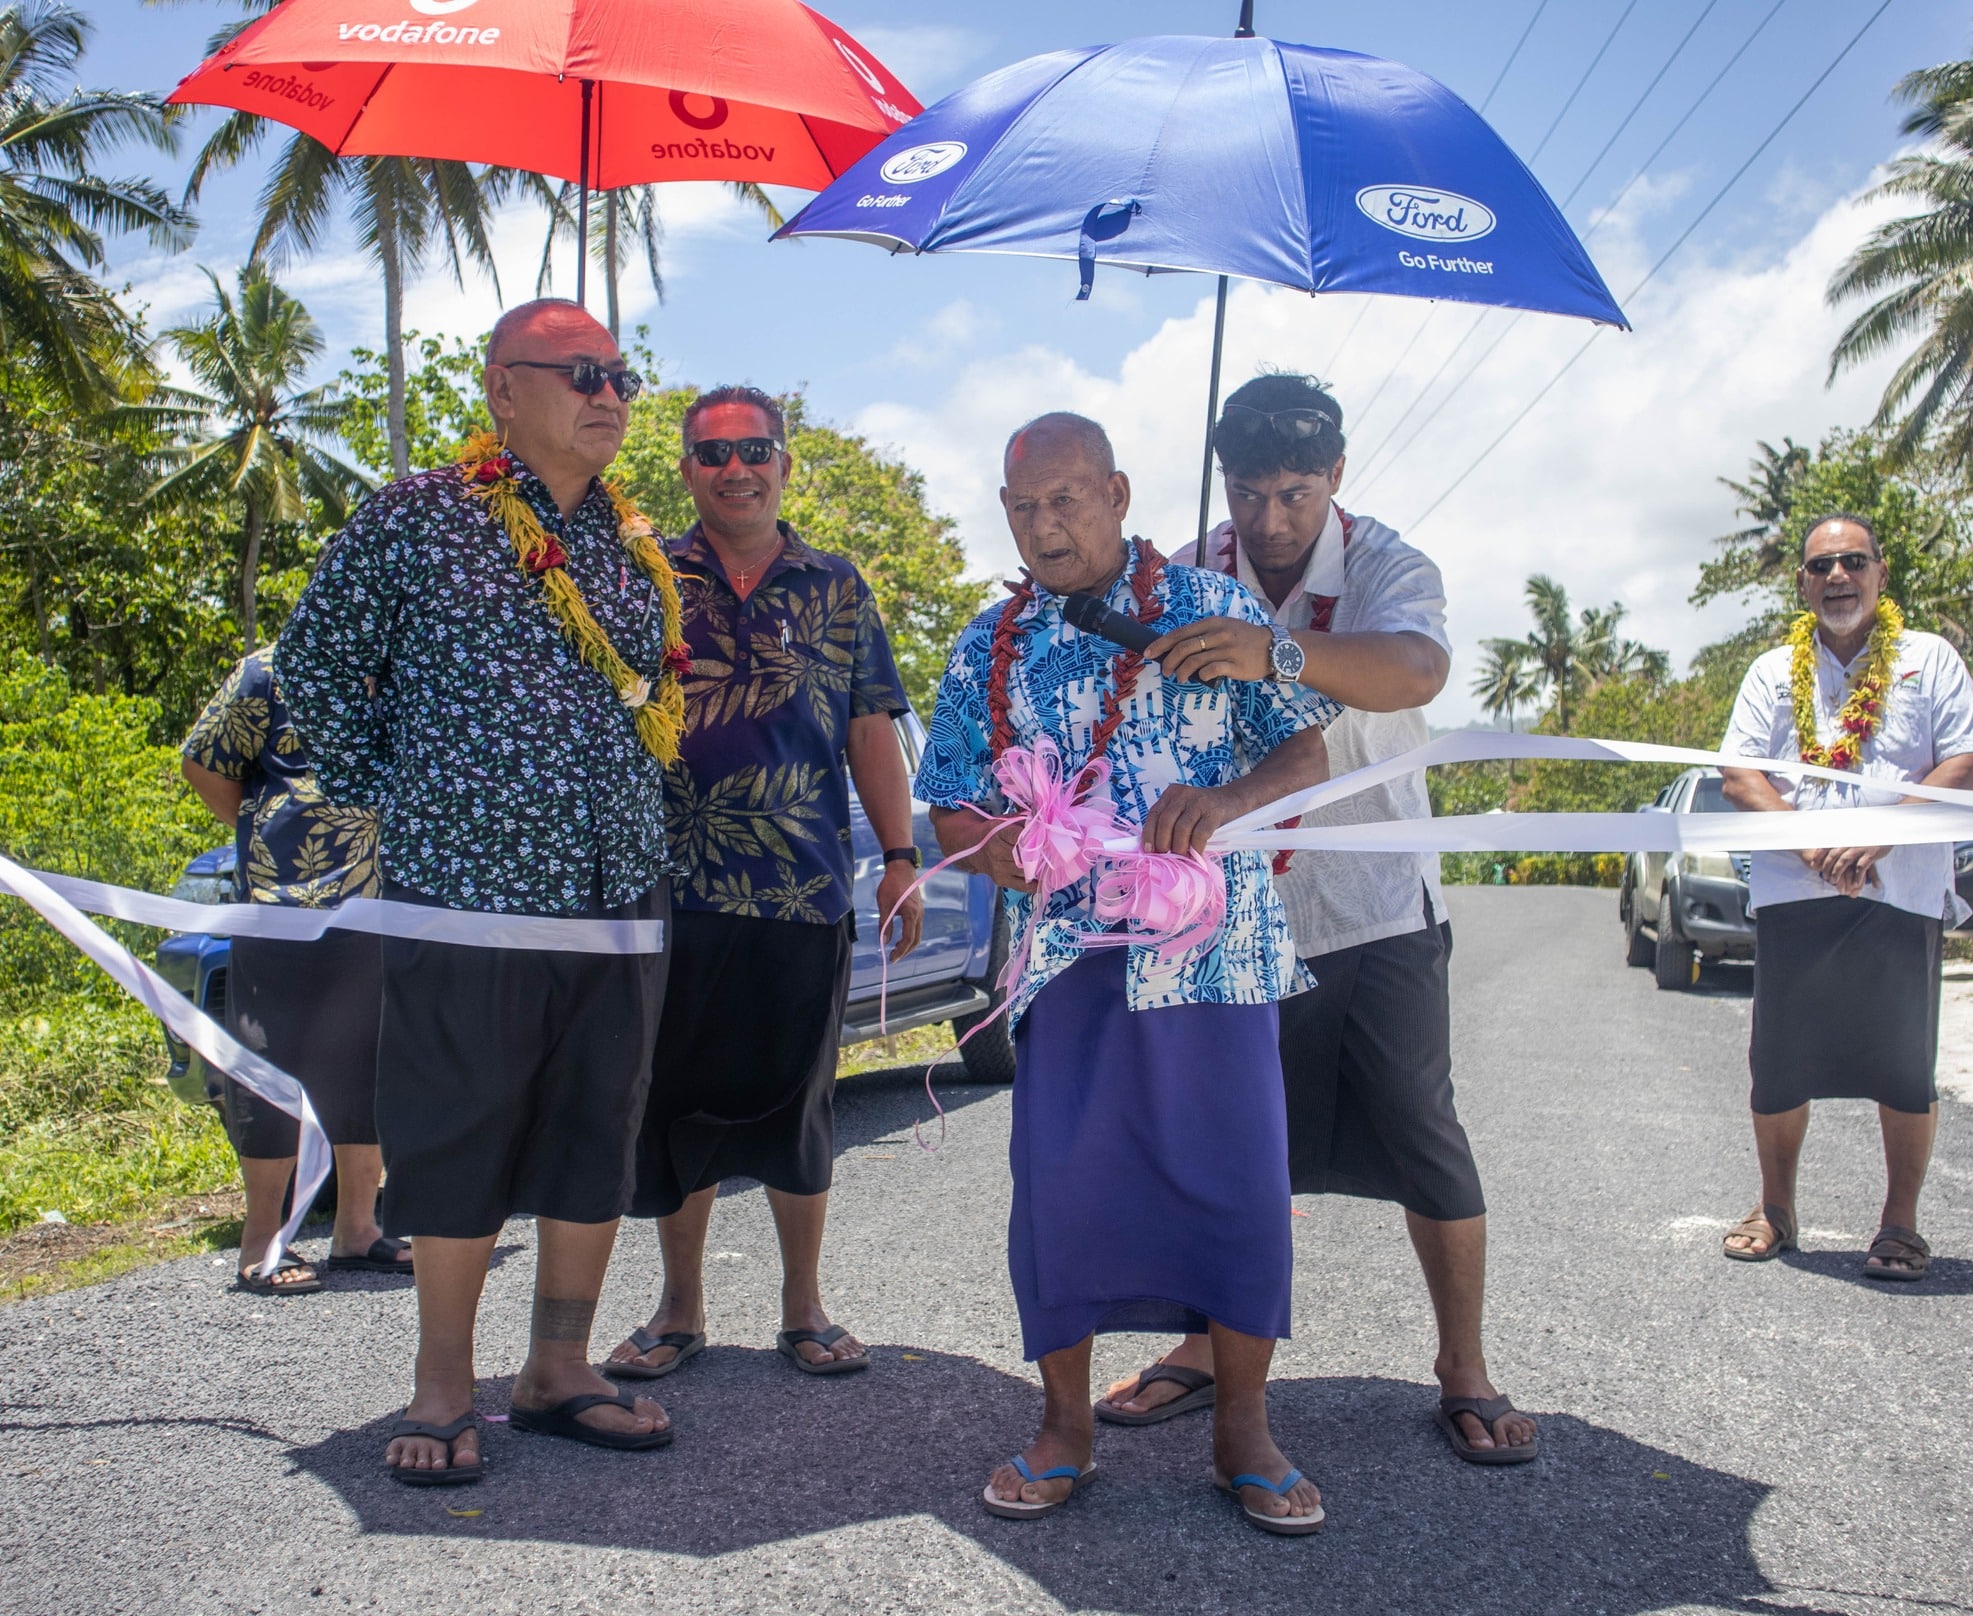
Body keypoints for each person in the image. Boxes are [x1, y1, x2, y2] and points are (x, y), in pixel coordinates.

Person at [1093, 371, 1540, 1464]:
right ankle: (1203, 1347)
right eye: (1246, 492)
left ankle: (1462, 1364)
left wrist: (1272, 650)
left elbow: (1416, 668)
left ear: (1334, 474)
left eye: (1293, 492)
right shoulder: (1191, 569)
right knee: (1224, 1140)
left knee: (1419, 1129)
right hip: (1233, 910)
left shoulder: (1389, 561)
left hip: (1375, 901)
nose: (1268, 519)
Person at [275, 299, 680, 1485]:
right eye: (580, 373)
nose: (607, 394)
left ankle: (556, 1371)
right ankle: (444, 1385)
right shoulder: (419, 516)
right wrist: (395, 784)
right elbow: (315, 659)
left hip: (615, 894)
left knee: (593, 1132)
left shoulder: (628, 539)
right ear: (503, 389)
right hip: (468, 891)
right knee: (455, 1133)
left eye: (620, 374)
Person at [917, 413, 1338, 1534]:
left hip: (1215, 950)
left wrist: (1226, 801)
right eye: (1022, 507)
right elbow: (948, 792)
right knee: (1061, 1189)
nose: (1045, 524)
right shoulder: (987, 642)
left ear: (1114, 491)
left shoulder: (1212, 610)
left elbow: (1303, 745)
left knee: (1237, 1186)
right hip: (1067, 955)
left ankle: (1242, 1430)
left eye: (1065, 498)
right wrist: (992, 842)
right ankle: (1064, 1428)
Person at [601, 385, 922, 1382]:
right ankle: (678, 1309)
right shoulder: (644, 576)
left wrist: (900, 859)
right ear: (685, 468)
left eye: (754, 448)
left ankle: (804, 1308)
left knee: (798, 1103)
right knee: (672, 1106)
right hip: (669, 887)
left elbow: (870, 726)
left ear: (783, 461)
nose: (734, 467)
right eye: (711, 452)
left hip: (802, 885)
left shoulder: (835, 584)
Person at [1718, 512, 1973, 1281]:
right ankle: (1776, 1208)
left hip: (1901, 889)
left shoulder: (1929, 659)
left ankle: (1900, 1224)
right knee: (1777, 1063)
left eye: (1852, 562)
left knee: (1903, 1066)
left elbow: (1968, 764)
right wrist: (1813, 845)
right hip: (1793, 893)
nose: (1837, 577)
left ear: (1880, 571)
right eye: (1821, 567)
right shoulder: (1773, 671)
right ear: (1803, 583)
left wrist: (1877, 835)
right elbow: (1740, 775)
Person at [180, 646, 406, 1295]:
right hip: (278, 908)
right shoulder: (267, 670)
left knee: (368, 1059)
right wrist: (261, 839)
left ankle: (358, 1230)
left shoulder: (407, 663)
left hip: (376, 902)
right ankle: (263, 1242)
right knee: (268, 1062)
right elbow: (204, 764)